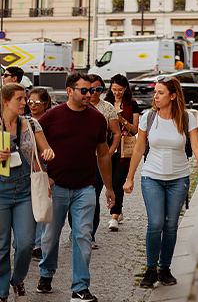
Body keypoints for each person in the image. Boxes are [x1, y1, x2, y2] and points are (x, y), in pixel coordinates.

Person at [37, 72, 115, 301]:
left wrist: (109, 188)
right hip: (56, 187)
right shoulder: (51, 117)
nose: (89, 94)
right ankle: (46, 273)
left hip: (85, 188)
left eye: (91, 90)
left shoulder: (97, 118)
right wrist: (43, 175)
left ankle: (80, 287)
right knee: (50, 237)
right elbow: (32, 146)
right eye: (84, 90)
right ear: (69, 91)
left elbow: (102, 155)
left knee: (83, 236)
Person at [124, 76, 198, 289]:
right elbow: (138, 148)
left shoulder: (186, 118)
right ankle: (151, 269)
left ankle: (165, 269)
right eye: (155, 92)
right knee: (156, 223)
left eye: (160, 93)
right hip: (151, 176)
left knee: (171, 226)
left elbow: (197, 146)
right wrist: (129, 177)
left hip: (178, 178)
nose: (156, 96)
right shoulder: (148, 117)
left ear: (172, 96)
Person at [0, 83, 55, 301]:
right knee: (1, 246)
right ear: (5, 101)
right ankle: (2, 291)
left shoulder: (31, 124)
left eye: (26, 99)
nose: (26, 103)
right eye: (20, 100)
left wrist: (48, 152)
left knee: (25, 244)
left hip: (24, 191)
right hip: (1, 192)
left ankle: (17, 279)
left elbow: (45, 148)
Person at [85, 75, 120, 248]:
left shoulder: (107, 108)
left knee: (93, 196)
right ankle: (75, 228)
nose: (94, 93)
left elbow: (116, 133)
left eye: (98, 90)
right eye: (90, 89)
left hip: (100, 159)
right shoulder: (79, 106)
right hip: (81, 159)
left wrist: (110, 151)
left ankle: (90, 234)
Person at [104, 74, 140, 232]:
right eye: (113, 90)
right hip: (107, 147)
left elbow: (135, 129)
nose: (116, 93)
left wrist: (121, 120)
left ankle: (114, 216)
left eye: (119, 90)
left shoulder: (132, 105)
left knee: (118, 181)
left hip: (124, 149)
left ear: (125, 89)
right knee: (110, 182)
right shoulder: (106, 104)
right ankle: (119, 210)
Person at [26, 88, 52, 259]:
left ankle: (40, 243)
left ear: (45, 104)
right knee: (29, 205)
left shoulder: (49, 121)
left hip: (45, 165)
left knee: (41, 202)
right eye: (29, 102)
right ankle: (31, 242)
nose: (32, 105)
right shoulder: (24, 120)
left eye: (36, 102)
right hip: (27, 167)